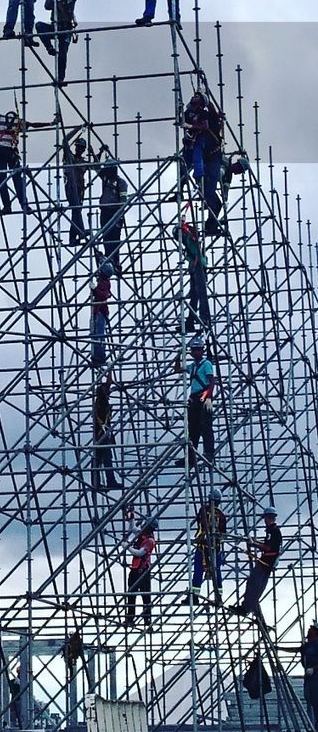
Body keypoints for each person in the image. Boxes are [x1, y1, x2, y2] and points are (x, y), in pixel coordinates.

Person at [0, 88, 56, 215]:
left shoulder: (0, 118)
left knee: (1, 179)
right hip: (11, 153)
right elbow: (34, 124)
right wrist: (51, 123)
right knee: (17, 179)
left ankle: (7, 206)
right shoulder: (18, 123)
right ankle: (24, 204)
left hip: (0, 151)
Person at [182, 88, 225, 234]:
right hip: (206, 157)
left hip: (212, 159)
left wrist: (204, 96)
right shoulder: (195, 114)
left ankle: (211, 225)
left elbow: (209, 111)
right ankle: (211, 225)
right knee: (210, 195)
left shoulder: (208, 118)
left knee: (212, 196)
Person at [234, 506, 282, 617]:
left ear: (268, 517)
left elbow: (267, 547)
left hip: (265, 562)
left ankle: (246, 608)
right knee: (258, 586)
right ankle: (249, 607)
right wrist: (253, 541)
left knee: (253, 584)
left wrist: (253, 544)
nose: (264, 520)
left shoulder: (272, 531)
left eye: (265, 517)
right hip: (269, 563)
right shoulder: (275, 531)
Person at [176, 336, 216, 468]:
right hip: (194, 399)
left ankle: (209, 453)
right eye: (194, 350)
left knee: (206, 427)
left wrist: (208, 397)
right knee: (193, 430)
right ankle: (191, 458)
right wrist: (178, 355)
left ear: (202, 351)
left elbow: (211, 381)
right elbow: (177, 369)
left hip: (203, 397)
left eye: (198, 350)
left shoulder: (206, 364)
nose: (196, 352)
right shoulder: (192, 366)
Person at [34, 0, 82, 86]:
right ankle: (49, 48)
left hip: (66, 29)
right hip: (55, 26)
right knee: (39, 26)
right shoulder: (54, 0)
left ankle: (60, 79)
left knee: (62, 54)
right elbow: (47, 6)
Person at [188, 488, 226, 604]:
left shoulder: (203, 510)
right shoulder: (221, 515)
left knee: (198, 571)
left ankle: (195, 596)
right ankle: (218, 597)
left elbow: (201, 525)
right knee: (216, 572)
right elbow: (223, 533)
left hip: (203, 546)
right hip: (215, 547)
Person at [95, 155, 128, 273]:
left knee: (115, 238)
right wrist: (97, 154)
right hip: (105, 212)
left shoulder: (121, 183)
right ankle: (108, 259)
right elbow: (96, 167)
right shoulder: (106, 179)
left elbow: (123, 201)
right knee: (106, 236)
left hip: (115, 214)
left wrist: (119, 215)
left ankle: (116, 261)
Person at [178, 220, 210, 334]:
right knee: (194, 295)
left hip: (199, 267)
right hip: (194, 267)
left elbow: (195, 235)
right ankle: (190, 322)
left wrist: (185, 227)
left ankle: (204, 318)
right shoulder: (187, 241)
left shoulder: (190, 238)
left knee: (200, 293)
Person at [62, 129, 92, 245]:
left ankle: (74, 237)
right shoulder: (70, 157)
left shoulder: (83, 162)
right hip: (70, 186)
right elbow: (65, 141)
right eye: (77, 147)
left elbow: (97, 166)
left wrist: (95, 153)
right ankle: (80, 232)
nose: (79, 149)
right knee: (76, 210)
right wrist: (77, 129)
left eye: (81, 148)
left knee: (76, 211)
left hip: (80, 189)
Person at [124, 519, 157, 628]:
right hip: (135, 569)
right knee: (131, 595)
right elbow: (133, 529)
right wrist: (131, 519)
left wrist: (127, 547)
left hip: (143, 571)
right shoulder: (143, 534)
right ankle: (130, 618)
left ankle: (147, 621)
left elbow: (139, 553)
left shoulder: (150, 541)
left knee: (145, 597)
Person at [92, 372, 121, 492]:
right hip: (102, 434)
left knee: (98, 460)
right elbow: (108, 384)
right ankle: (109, 481)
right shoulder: (101, 401)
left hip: (102, 433)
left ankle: (98, 482)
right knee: (106, 459)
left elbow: (107, 385)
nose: (108, 391)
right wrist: (110, 369)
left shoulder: (100, 401)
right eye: (106, 390)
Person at [89, 262, 113, 368]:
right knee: (96, 333)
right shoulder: (103, 281)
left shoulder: (105, 283)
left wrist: (94, 289)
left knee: (99, 334)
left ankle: (99, 356)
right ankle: (97, 355)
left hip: (100, 311)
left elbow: (104, 295)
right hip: (98, 310)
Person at [301, 624, 318, 731]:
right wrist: (278, 648)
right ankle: (312, 725)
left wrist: (314, 669)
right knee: (310, 702)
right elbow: (297, 649)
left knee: (316, 702)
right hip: (309, 678)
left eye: (310, 630)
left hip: (316, 678)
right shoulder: (307, 646)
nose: (308, 631)